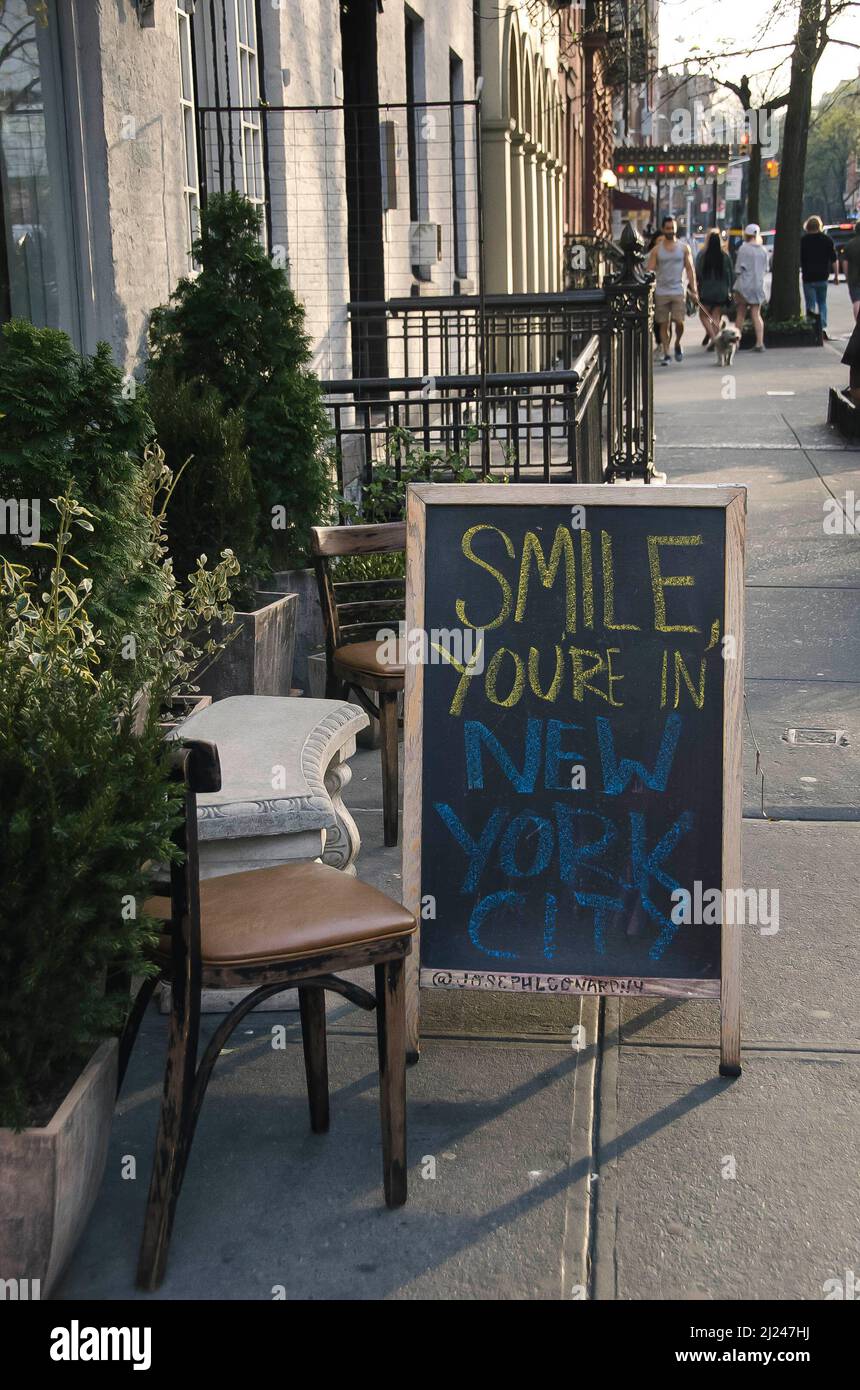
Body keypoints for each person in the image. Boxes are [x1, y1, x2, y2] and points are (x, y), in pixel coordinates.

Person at [646, 214, 698, 365]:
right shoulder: (656, 250)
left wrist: (694, 290)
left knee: (679, 322)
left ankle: (677, 343)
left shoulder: (683, 248)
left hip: (678, 290)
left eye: (673, 228)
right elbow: (650, 269)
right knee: (663, 323)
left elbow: (690, 269)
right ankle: (667, 353)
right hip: (661, 291)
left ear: (676, 229)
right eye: (667, 228)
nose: (670, 231)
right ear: (663, 229)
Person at [800, 215, 839, 337]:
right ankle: (822, 326)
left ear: (807, 226)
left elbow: (799, 259)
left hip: (808, 277)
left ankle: (812, 327)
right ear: (819, 226)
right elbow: (834, 259)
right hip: (822, 277)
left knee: (810, 304)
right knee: (822, 302)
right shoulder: (827, 240)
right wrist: (836, 275)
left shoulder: (803, 241)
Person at [695, 229, 734, 350]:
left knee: (703, 315)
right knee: (716, 316)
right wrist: (730, 289)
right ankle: (716, 338)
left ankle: (713, 338)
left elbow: (698, 272)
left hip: (706, 290)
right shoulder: (725, 256)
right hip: (721, 291)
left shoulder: (702, 255)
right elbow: (730, 274)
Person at [733, 224, 769, 352]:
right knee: (756, 314)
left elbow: (738, 269)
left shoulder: (744, 249)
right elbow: (766, 269)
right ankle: (760, 342)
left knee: (741, 314)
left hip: (744, 285)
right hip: (758, 285)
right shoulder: (763, 250)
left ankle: (736, 343)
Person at [839, 220, 860, 323]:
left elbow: (845, 263)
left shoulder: (850, 245)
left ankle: (858, 323)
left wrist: (847, 276)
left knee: (857, 301)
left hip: (854, 277)